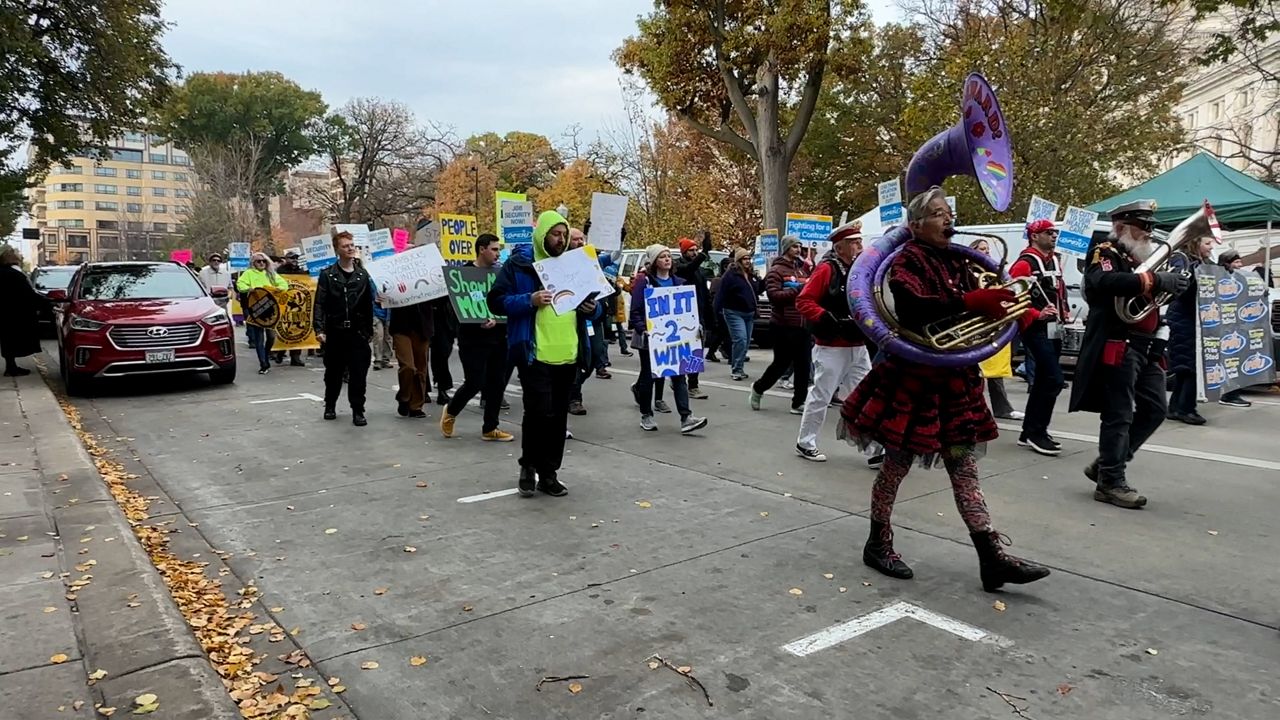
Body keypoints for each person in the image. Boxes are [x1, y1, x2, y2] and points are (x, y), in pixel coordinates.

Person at [841, 187, 1049, 591]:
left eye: (948, 213)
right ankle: (877, 542)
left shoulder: (958, 258)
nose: (947, 219)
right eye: (937, 214)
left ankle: (991, 556)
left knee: (964, 468)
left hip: (954, 382)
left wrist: (1004, 306)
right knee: (896, 466)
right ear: (916, 225)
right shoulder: (906, 260)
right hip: (914, 382)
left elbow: (977, 304)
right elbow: (914, 309)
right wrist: (973, 300)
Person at [1069, 199, 1189, 509]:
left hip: (1146, 344)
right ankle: (1110, 480)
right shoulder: (1104, 251)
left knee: (1154, 409)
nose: (1150, 232)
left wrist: (1172, 286)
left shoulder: (1139, 256)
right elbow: (1103, 281)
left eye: (1150, 226)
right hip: (1118, 342)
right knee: (1118, 414)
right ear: (1122, 227)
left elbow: (1154, 302)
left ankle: (1107, 464)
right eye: (1143, 226)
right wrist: (1155, 280)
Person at [487, 210, 602, 498]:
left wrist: (593, 309)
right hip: (534, 353)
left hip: (569, 352)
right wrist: (530, 300)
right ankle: (528, 466)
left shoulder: (575, 264)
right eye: (555, 234)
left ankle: (549, 473)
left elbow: (596, 304)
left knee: (558, 418)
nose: (561, 240)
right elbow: (496, 301)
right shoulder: (519, 264)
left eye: (564, 235)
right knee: (539, 413)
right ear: (542, 235)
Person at [794, 221, 870, 462]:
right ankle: (805, 442)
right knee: (822, 395)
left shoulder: (860, 268)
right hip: (832, 346)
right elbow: (804, 301)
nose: (860, 245)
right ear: (840, 248)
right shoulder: (827, 269)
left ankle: (873, 449)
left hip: (858, 344)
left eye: (859, 241)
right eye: (855, 242)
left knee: (866, 397)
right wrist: (826, 318)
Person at [441, 234, 514, 441]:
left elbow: (504, 301)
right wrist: (477, 321)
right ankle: (451, 412)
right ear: (482, 249)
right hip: (472, 339)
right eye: (494, 249)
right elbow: (454, 308)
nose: (497, 254)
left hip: (499, 337)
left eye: (499, 250)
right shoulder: (463, 273)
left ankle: (490, 427)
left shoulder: (500, 274)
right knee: (475, 382)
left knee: (496, 383)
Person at [630, 244, 709, 434]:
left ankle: (686, 417)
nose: (667, 259)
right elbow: (635, 312)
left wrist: (695, 326)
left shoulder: (679, 283)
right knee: (650, 377)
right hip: (651, 340)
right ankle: (646, 415)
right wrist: (644, 330)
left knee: (680, 375)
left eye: (668, 256)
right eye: (662, 257)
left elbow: (688, 312)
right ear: (654, 262)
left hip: (675, 341)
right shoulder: (645, 282)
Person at [1009, 220, 1069, 454]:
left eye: (1055, 232)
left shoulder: (1053, 259)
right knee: (1053, 379)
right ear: (1034, 236)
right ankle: (1036, 431)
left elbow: (1057, 290)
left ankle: (1032, 432)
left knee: (1045, 380)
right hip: (1035, 328)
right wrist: (1036, 313)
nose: (1054, 236)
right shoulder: (1024, 264)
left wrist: (1064, 312)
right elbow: (1011, 297)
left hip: (1053, 327)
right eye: (1048, 232)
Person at [314, 231, 375, 426]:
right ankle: (330, 404)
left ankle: (358, 409)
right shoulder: (328, 275)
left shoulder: (362, 275)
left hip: (357, 332)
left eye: (352, 245)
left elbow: (367, 305)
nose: (350, 248)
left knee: (359, 373)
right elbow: (320, 304)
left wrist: (368, 332)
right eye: (345, 246)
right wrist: (320, 329)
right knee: (333, 372)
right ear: (337, 249)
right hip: (335, 331)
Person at [751, 235, 812, 413]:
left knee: (804, 364)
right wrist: (797, 291)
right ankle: (758, 388)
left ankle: (798, 402)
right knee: (781, 364)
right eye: (794, 247)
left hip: (802, 323)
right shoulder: (776, 271)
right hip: (783, 324)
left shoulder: (802, 271)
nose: (798, 250)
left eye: (799, 246)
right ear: (786, 249)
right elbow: (774, 297)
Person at [1165, 235, 1213, 424]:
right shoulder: (1182, 260)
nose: (1211, 247)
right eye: (1207, 243)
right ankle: (1186, 409)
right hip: (1184, 318)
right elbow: (1180, 287)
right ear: (1195, 243)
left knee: (1187, 366)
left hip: (1191, 318)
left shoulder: (1204, 262)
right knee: (1191, 366)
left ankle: (1177, 407)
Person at [674, 232, 714, 400]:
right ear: (684, 252)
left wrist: (710, 315)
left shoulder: (699, 270)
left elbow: (703, 292)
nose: (694, 253)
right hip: (683, 316)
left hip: (698, 315)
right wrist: (704, 253)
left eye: (696, 250)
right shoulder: (678, 266)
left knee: (696, 350)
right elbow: (688, 270)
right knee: (684, 350)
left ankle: (693, 384)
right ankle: (680, 381)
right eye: (691, 250)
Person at [236, 252, 290, 374]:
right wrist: (249, 289)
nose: (261, 263)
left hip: (270, 309)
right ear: (253, 263)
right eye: (258, 261)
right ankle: (263, 363)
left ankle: (266, 355)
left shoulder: (271, 274)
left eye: (263, 261)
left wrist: (277, 289)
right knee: (259, 338)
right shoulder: (248, 273)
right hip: (255, 308)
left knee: (271, 337)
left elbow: (284, 285)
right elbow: (240, 284)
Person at [0, 246, 45, 376]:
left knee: (7, 340)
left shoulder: (4, 272)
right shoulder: (14, 274)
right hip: (15, 313)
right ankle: (11, 368)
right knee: (11, 339)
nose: (21, 256)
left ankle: (11, 366)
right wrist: (46, 302)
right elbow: (28, 293)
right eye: (19, 254)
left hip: (6, 312)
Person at [715, 248, 758, 380]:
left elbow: (756, 290)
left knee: (745, 343)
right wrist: (717, 312)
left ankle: (739, 367)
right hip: (734, 312)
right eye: (744, 259)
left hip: (749, 313)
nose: (747, 261)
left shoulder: (750, 275)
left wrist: (762, 280)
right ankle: (736, 369)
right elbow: (721, 294)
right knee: (740, 339)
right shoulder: (730, 275)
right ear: (739, 260)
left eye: (749, 259)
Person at [389, 297, 433, 419]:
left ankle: (416, 406)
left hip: (422, 326)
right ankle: (404, 396)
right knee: (408, 366)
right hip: (401, 326)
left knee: (421, 369)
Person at [370, 286, 393, 371]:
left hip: (389, 311)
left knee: (388, 337)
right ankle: (378, 360)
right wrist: (374, 297)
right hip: (376, 312)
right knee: (378, 336)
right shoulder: (372, 280)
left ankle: (386, 359)